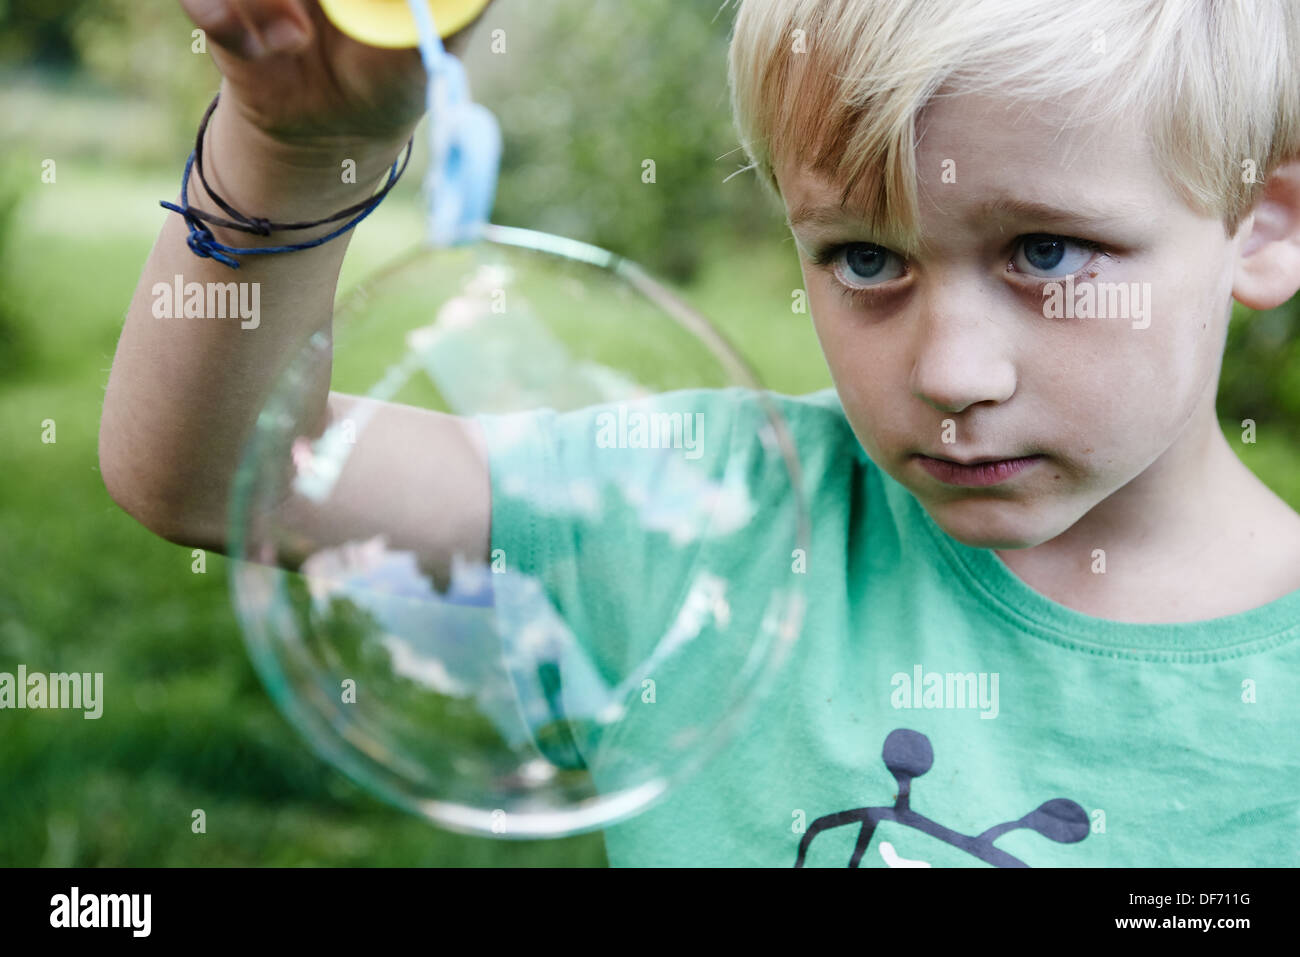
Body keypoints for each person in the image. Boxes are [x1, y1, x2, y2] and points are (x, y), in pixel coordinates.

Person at [100, 0, 1300, 866]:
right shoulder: (711, 516)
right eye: (862, 257)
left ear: (1262, 224)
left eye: (1045, 252)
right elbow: (225, 479)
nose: (949, 371)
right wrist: (294, 147)